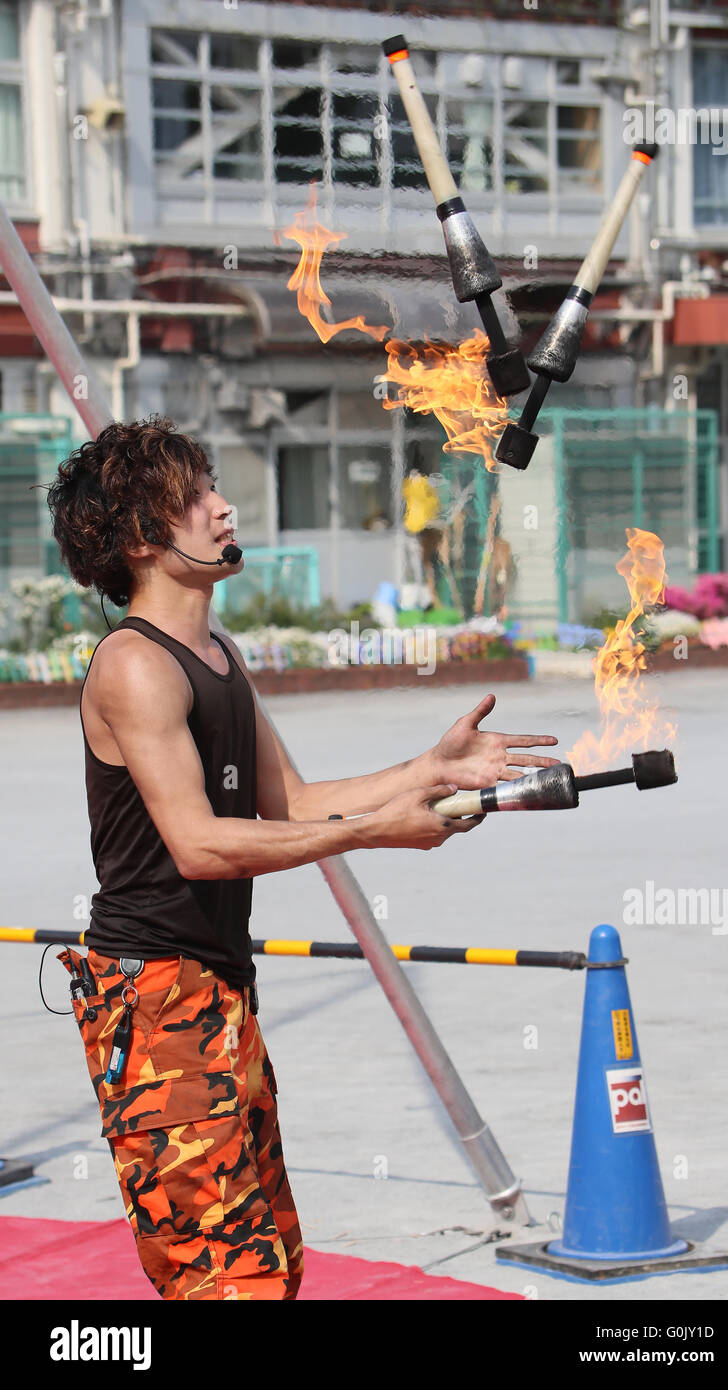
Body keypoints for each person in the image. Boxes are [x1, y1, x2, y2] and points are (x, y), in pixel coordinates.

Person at [47, 416, 558, 1301]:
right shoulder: (135, 666)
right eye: (195, 497)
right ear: (141, 539)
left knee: (271, 1265)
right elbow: (202, 844)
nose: (222, 507)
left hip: (217, 993)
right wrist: (377, 828)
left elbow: (288, 805)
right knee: (224, 1281)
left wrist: (424, 773)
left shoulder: (218, 656)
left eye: (210, 486)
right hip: (157, 1005)